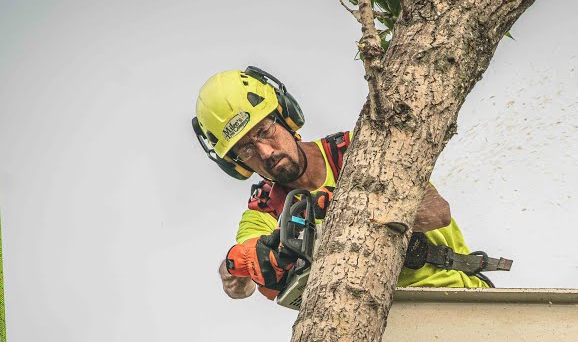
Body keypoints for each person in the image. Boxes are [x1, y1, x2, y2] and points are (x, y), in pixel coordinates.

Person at [192, 67, 507, 301]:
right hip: (379, 333)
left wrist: (340, 210)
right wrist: (238, 270)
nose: (265, 152)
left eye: (263, 132)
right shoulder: (265, 208)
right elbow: (244, 270)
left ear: (285, 117)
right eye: (246, 149)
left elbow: (436, 212)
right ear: (236, 163)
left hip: (458, 298)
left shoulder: (360, 151)